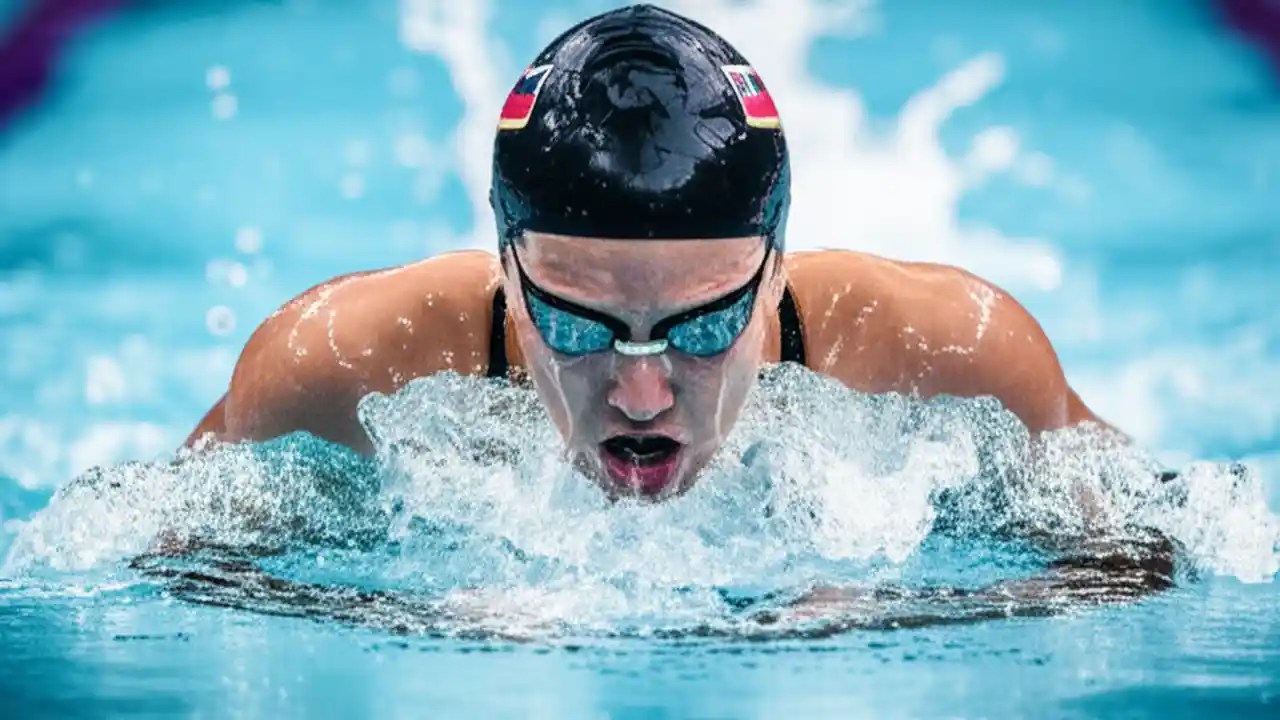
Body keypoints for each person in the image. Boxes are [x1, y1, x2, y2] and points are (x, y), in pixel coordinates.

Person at [186, 4, 1114, 502]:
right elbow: (148, 564)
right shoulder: (332, 372)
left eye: (704, 324)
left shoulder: (955, 360)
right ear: (506, 275)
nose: (640, 395)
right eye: (572, 321)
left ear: (775, 273)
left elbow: (1153, 556)